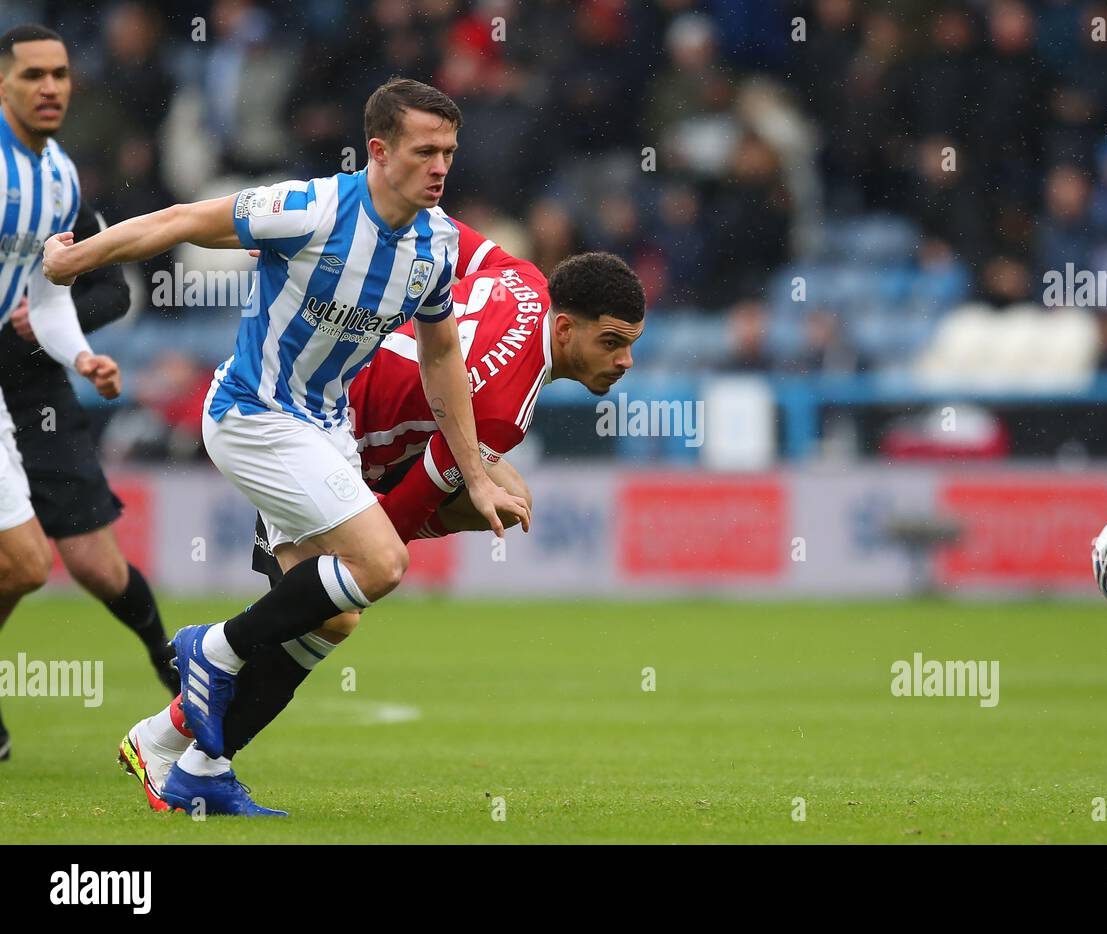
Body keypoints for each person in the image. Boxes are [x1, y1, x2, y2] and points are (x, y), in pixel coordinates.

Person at [44, 77, 528, 814]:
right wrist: (72, 262)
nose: (440, 166)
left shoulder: (434, 246)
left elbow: (441, 359)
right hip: (252, 414)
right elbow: (178, 220)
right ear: (378, 150)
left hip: (324, 429)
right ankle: (214, 651)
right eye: (425, 150)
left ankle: (182, 757)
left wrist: (478, 473)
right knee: (382, 561)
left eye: (449, 153)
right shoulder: (310, 208)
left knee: (334, 614)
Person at [117, 221, 646, 813]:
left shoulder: (518, 275)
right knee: (344, 607)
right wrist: (443, 519)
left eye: (631, 344)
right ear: (567, 328)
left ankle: (176, 748)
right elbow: (395, 522)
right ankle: (211, 660)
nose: (626, 360)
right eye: (612, 342)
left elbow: (437, 231)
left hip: (333, 405)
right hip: (313, 437)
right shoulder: (501, 411)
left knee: (349, 605)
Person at [0, 24, 123, 761]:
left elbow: (46, 297)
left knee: (24, 563)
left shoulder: (62, 180)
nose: (50, 87)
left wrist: (82, 357)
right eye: (32, 75)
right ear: (2, 84)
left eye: (60, 74)